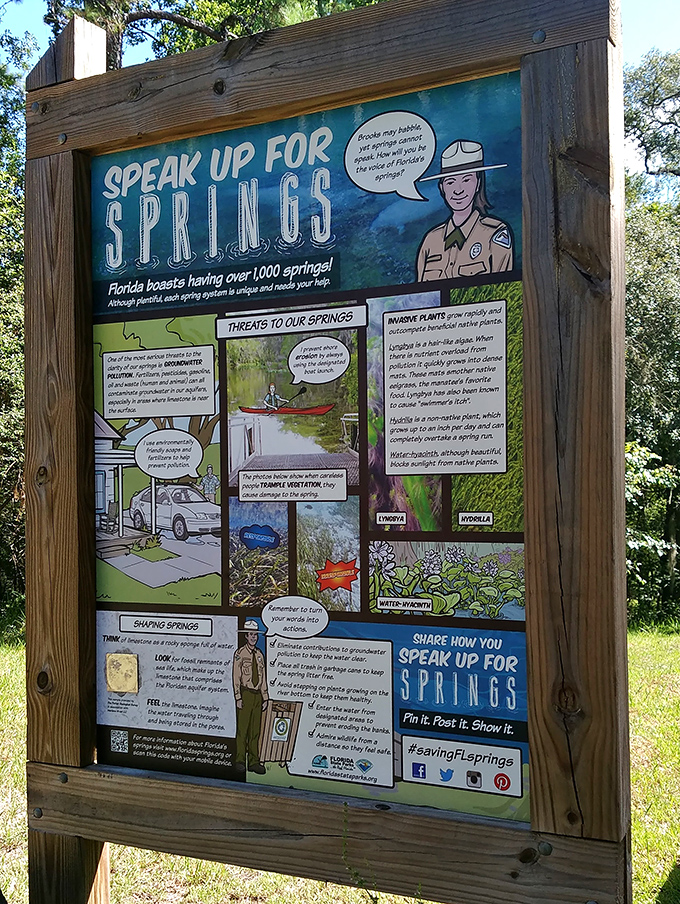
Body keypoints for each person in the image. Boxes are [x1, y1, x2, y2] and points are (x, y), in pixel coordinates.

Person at [415, 139, 514, 281]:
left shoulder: (495, 233)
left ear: (478, 183)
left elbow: (503, 289)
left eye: (466, 180)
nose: (458, 190)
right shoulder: (430, 240)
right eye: (450, 182)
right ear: (442, 188)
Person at [232, 619, 269, 775]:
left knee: (255, 731)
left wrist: (265, 697)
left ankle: (254, 761)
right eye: (251, 635)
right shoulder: (240, 654)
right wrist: (238, 697)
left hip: (257, 696)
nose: (254, 637)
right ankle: (240, 760)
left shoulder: (259, 655)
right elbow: (236, 676)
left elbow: (263, 677)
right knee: (242, 730)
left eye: (255, 635)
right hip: (245, 693)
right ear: (246, 636)